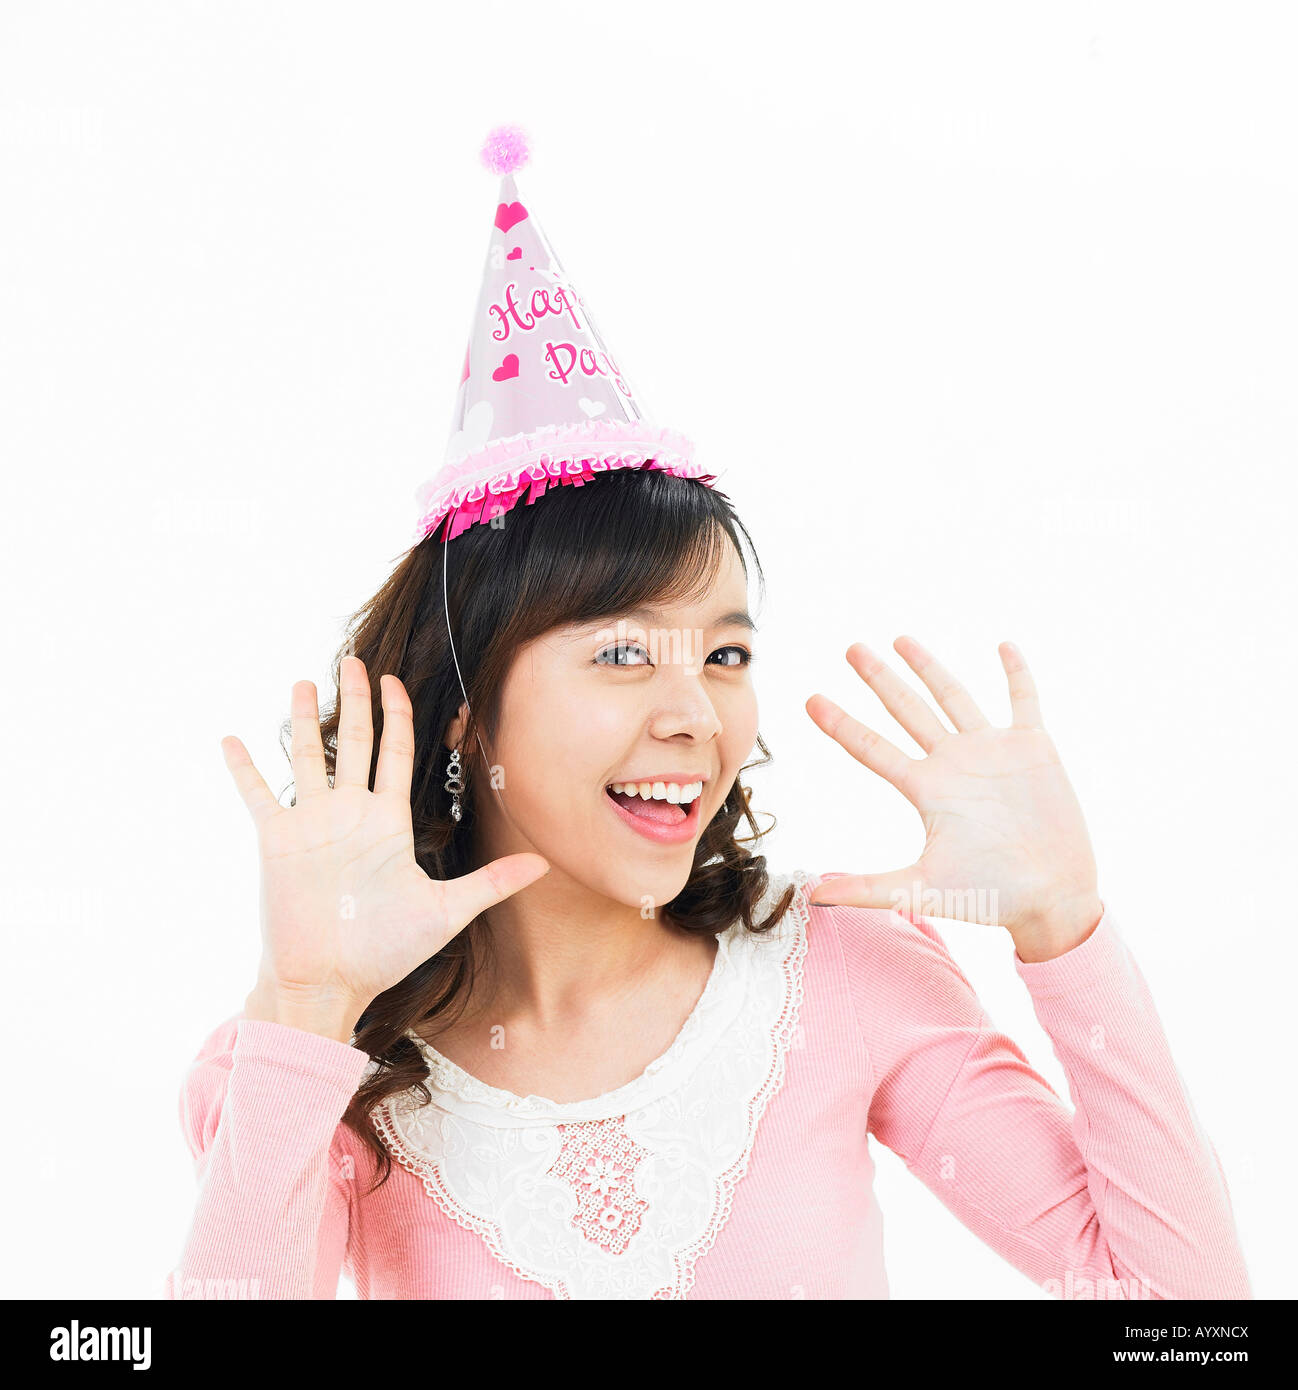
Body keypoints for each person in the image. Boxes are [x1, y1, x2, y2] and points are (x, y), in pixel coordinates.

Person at [165, 130, 1251, 1301]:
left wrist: (1065, 929)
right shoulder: (310, 1062)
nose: (695, 713)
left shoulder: (837, 974)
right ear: (466, 713)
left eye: (724, 651)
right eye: (623, 651)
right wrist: (309, 1009)